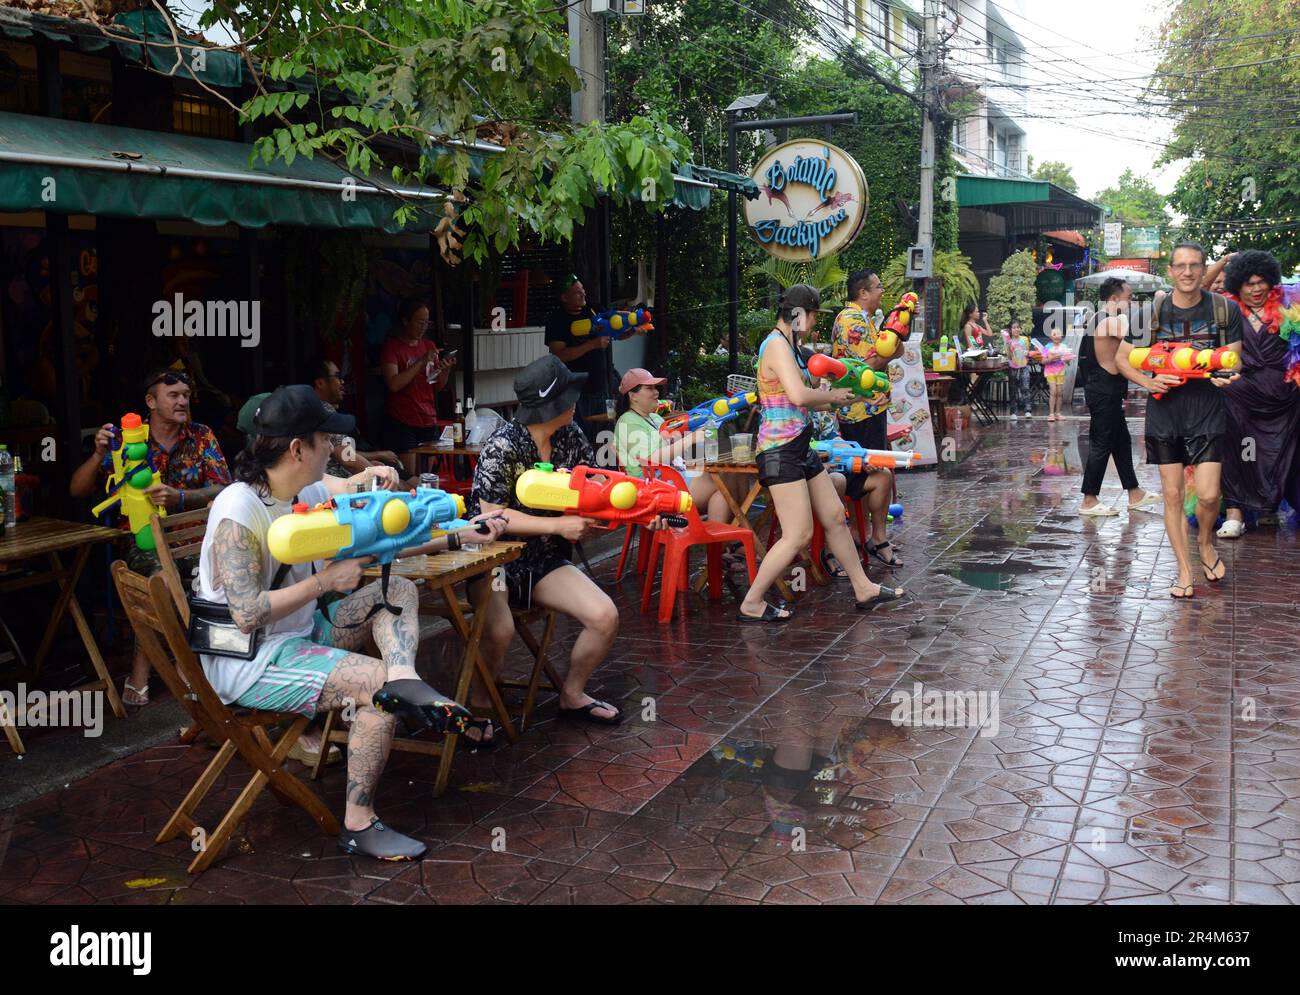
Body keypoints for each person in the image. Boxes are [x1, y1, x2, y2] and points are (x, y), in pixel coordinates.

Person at [198, 385, 507, 859]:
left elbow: (374, 552)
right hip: (251, 661)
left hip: (300, 632)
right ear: (298, 448)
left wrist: (454, 538)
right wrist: (324, 584)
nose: (337, 450)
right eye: (327, 440)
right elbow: (246, 614)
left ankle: (406, 679)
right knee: (374, 687)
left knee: (396, 591)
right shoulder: (238, 510)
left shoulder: (311, 491)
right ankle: (359, 824)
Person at [467, 355, 664, 729]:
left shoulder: (571, 437)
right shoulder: (502, 446)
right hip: (492, 560)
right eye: (567, 395)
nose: (575, 402)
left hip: (543, 560)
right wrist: (559, 527)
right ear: (549, 405)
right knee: (500, 629)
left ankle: (572, 695)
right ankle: (479, 705)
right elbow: (492, 516)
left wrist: (638, 514)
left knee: (604, 616)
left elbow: (596, 497)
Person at [739, 285, 903, 622]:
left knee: (834, 516)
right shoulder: (775, 346)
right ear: (799, 314)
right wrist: (837, 397)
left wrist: (853, 398)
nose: (814, 324)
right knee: (799, 533)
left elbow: (812, 395)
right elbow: (799, 396)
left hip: (800, 445)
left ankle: (863, 587)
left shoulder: (793, 347)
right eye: (813, 316)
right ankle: (752, 601)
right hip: (778, 450)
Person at [70, 368, 232, 707]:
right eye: (173, 395)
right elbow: (77, 490)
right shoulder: (127, 441)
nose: (182, 401)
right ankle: (181, 664)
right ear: (150, 401)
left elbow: (227, 489)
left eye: (186, 395)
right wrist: (99, 454)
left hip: (195, 540)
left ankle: (150, 665)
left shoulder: (201, 436)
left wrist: (182, 498)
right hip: (143, 543)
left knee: (200, 575)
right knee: (161, 580)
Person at [1117, 241, 1243, 599]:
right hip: (1165, 413)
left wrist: (1226, 375)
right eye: (1180, 266)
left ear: (1204, 270)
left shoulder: (1222, 310)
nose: (1187, 272)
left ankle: (1204, 544)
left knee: (1208, 495)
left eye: (1194, 266)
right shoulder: (1150, 314)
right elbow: (1122, 358)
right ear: (1171, 271)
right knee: (1172, 495)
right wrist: (1148, 380)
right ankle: (1184, 571)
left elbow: (1234, 360)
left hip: (1207, 411)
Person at [1217, 250, 1300, 537]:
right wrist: (1221, 263)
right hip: (1239, 392)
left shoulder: (1290, 306)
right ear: (1237, 285)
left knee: (1275, 455)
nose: (1255, 289)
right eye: (1248, 283)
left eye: (1260, 282)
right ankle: (1234, 513)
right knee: (1236, 451)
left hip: (1283, 397)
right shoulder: (1225, 310)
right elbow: (1194, 294)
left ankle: (1268, 508)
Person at [829, 270, 898, 562]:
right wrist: (890, 350)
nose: (882, 290)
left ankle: (873, 537)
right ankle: (868, 538)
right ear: (863, 293)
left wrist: (897, 332)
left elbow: (890, 351)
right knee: (868, 471)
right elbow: (867, 367)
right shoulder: (852, 321)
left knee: (876, 470)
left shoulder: (866, 319)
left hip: (870, 407)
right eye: (878, 286)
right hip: (859, 411)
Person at [1078, 278, 1159, 516]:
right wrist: (1157, 304)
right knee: (1101, 443)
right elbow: (1139, 337)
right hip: (1102, 391)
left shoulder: (1100, 319)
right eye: (1129, 298)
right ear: (1114, 300)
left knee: (1121, 442)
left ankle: (1134, 493)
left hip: (1107, 389)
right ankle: (1089, 500)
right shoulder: (1107, 321)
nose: (1132, 303)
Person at [612, 367, 735, 524]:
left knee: (731, 478)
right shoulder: (628, 421)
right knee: (724, 484)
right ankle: (728, 542)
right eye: (649, 388)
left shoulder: (655, 418)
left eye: (655, 387)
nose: (656, 392)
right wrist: (688, 440)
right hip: (653, 490)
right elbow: (651, 459)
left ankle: (722, 545)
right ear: (632, 395)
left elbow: (674, 449)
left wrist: (690, 436)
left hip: (672, 477)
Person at [809, 408, 900, 577]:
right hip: (808, 477)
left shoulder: (818, 412)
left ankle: (878, 538)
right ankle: (830, 547)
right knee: (837, 479)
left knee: (883, 475)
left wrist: (859, 457)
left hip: (837, 468)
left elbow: (834, 437)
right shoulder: (785, 417)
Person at [307, 356, 403, 478]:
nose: (342, 382)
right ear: (320, 383)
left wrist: (369, 465)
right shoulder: (323, 411)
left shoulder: (316, 408)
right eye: (337, 376)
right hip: (338, 488)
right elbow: (348, 458)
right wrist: (378, 474)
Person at [380, 298, 457, 451]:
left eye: (427, 323)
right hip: (402, 419)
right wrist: (421, 361)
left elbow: (436, 387)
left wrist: (445, 369)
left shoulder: (429, 346)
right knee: (410, 473)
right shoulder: (392, 347)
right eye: (419, 322)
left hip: (428, 418)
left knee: (429, 474)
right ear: (405, 321)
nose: (423, 328)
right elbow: (393, 384)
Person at [1004, 319, 1033, 420]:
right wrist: (1009, 347)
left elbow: (1027, 352)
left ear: (1020, 329)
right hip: (1013, 367)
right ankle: (1013, 412)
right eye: (1014, 328)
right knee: (1013, 390)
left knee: (1025, 388)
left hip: (1024, 366)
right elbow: (1009, 356)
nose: (1016, 329)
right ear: (1010, 330)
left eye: (1018, 327)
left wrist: (1026, 353)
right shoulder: (1009, 341)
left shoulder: (1024, 339)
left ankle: (1028, 410)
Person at [1042, 327, 1072, 422]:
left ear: (1061, 336)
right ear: (1051, 337)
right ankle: (1051, 414)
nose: (1056, 336)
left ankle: (1058, 413)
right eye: (1054, 334)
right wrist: (1051, 358)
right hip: (1050, 371)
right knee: (1053, 392)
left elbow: (1068, 362)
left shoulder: (1064, 347)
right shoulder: (1047, 347)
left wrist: (1067, 360)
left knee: (1060, 393)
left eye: (1058, 334)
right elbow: (1043, 361)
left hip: (1061, 371)